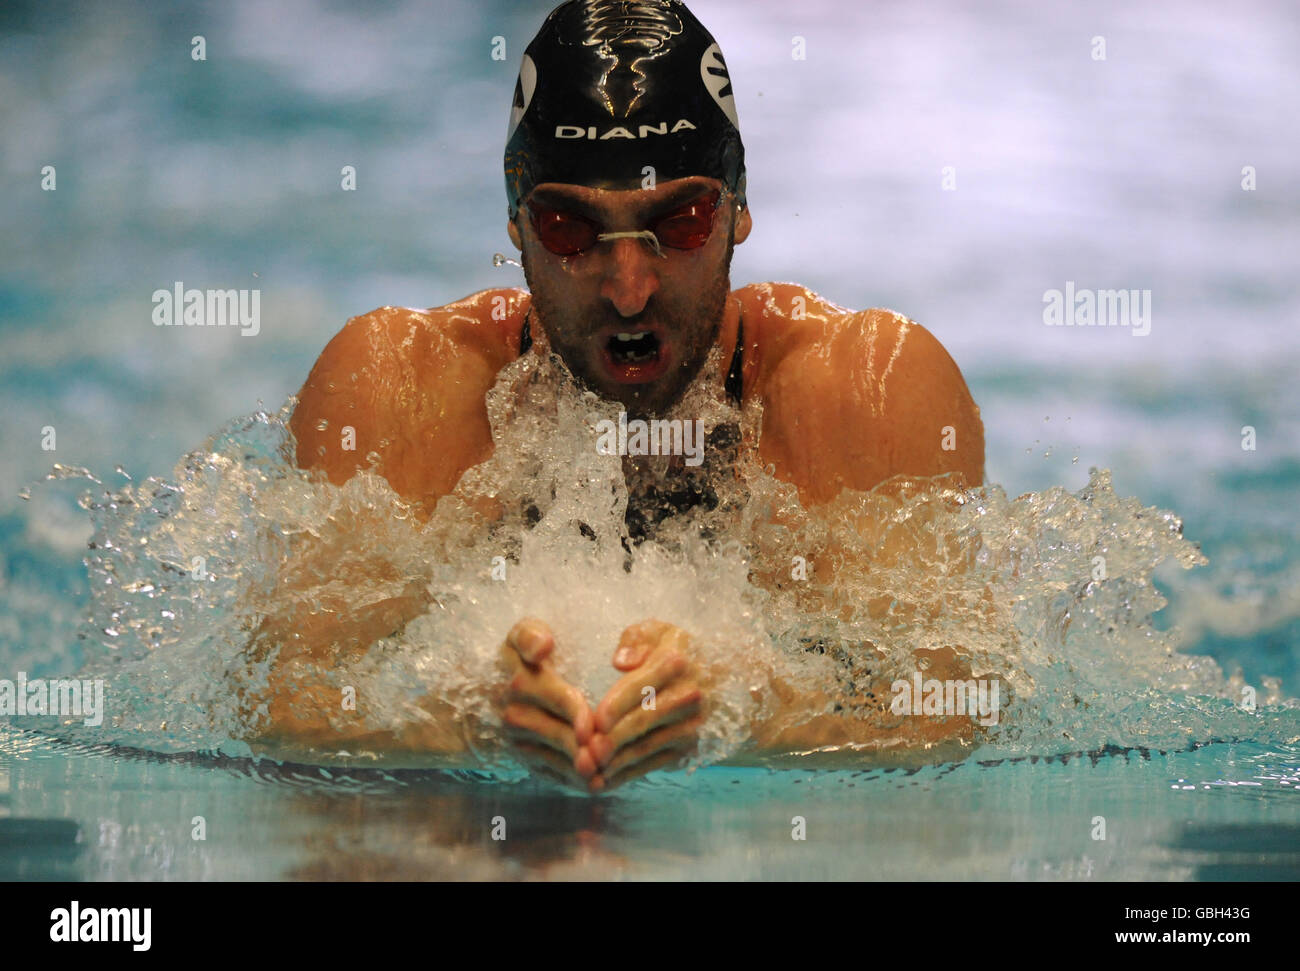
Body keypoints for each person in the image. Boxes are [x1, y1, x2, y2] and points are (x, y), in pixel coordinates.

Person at [241, 0, 987, 792]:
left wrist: (753, 710)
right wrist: (455, 724)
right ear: (516, 224)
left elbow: (948, 716)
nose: (629, 289)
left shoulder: (869, 390)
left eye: (682, 220)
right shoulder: (396, 388)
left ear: (737, 210)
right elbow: (280, 705)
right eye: (570, 228)